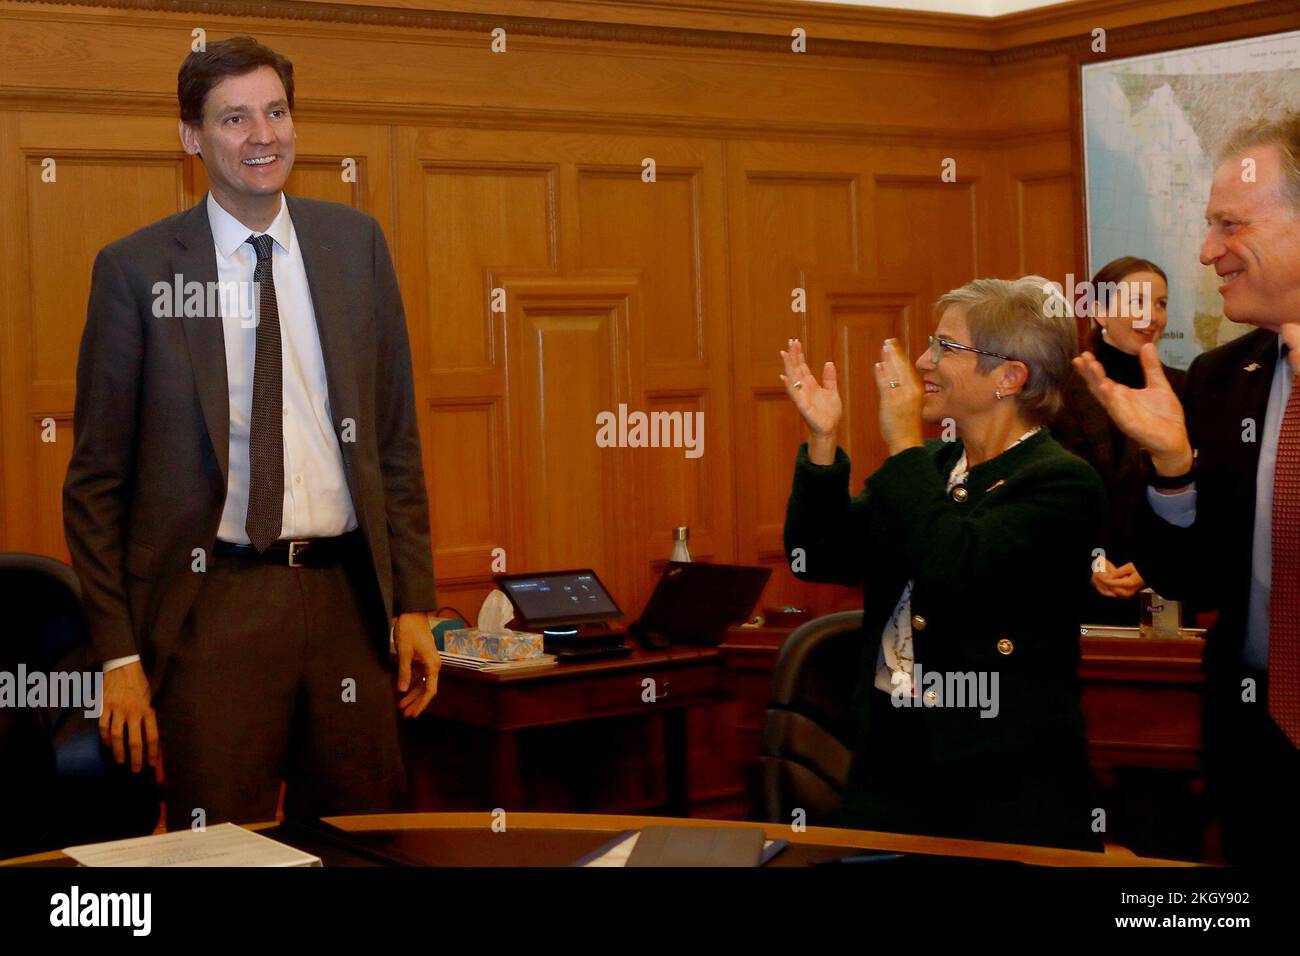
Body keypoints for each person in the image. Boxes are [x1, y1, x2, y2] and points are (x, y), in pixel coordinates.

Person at [62, 36, 443, 829]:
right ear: (192, 137)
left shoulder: (354, 246)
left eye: (275, 112)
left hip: (348, 605)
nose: (262, 135)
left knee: (364, 836)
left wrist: (412, 602)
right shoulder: (137, 273)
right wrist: (119, 656)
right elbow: (95, 485)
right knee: (223, 847)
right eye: (234, 118)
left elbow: (395, 439)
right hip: (214, 610)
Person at [782, 276, 1106, 850]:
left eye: (946, 348)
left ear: (1010, 377)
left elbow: (955, 568)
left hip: (1003, 783)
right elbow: (821, 557)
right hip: (889, 767)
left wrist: (903, 441)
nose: (924, 362)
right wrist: (823, 441)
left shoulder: (1061, 481)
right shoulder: (933, 464)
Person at [1075, 112, 1300, 863]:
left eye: (1229, 226)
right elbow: (1192, 578)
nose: (1206, 253)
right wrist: (1174, 468)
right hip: (1258, 736)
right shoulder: (1218, 379)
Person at [1052, 257, 1187, 624]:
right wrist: (1090, 561)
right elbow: (1043, 499)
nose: (1153, 315)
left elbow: (1200, 500)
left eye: (1161, 303)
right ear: (1098, 311)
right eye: (1138, 301)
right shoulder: (1057, 391)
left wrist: (1152, 565)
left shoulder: (1187, 389)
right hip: (1067, 591)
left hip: (1161, 593)